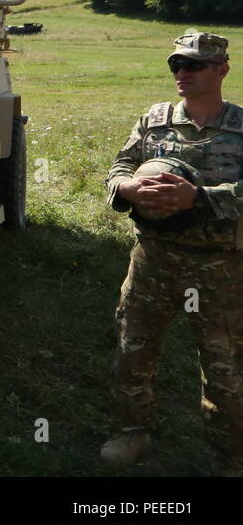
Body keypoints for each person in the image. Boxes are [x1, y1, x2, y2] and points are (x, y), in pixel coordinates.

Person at [102, 30, 243, 472]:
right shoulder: (153, 121)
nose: (182, 73)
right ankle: (132, 433)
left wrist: (199, 199)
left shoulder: (240, 127)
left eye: (194, 65)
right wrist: (127, 188)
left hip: (220, 266)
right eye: (176, 65)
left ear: (221, 69)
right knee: (133, 350)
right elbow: (119, 168)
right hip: (154, 258)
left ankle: (229, 453)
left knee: (225, 366)